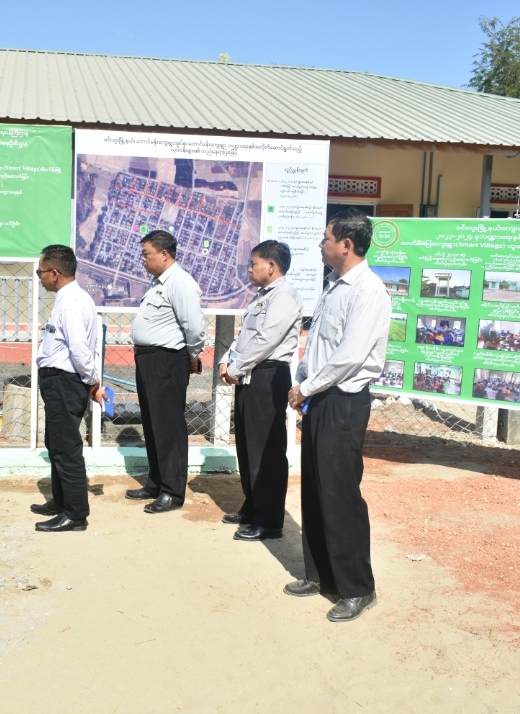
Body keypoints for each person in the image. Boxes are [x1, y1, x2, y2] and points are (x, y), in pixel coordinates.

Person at [285, 208, 390, 622]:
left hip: (343, 402)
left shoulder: (369, 291)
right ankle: (320, 574)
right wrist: (305, 381)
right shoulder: (334, 285)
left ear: (346, 244)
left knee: (340, 494)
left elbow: (349, 356)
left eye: (326, 238)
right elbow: (320, 346)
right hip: (319, 397)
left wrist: (305, 388)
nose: (321, 244)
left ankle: (357, 588)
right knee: (314, 488)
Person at [217, 240, 303, 541]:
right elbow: (245, 337)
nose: (249, 268)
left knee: (266, 449)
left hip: (268, 375)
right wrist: (228, 360)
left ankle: (269, 521)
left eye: (254, 263)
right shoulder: (262, 297)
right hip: (251, 374)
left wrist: (236, 368)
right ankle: (253, 505)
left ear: (271, 266)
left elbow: (267, 340)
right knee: (248, 445)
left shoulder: (285, 296)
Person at [125, 230, 206, 513]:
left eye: (146, 254)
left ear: (164, 254)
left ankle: (172, 491)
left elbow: (194, 327)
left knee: (169, 427)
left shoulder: (180, 283)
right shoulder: (157, 283)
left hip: (168, 361)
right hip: (148, 361)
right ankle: (156, 482)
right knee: (152, 423)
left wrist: (192, 356)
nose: (143, 260)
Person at [30, 245, 104, 532]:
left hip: (65, 381)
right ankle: (61, 501)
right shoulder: (69, 298)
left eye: (41, 272)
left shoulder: (72, 302)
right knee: (56, 443)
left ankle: (75, 514)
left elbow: (80, 349)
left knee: (66, 448)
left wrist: (92, 382)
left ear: (55, 273)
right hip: (59, 380)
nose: (40, 278)